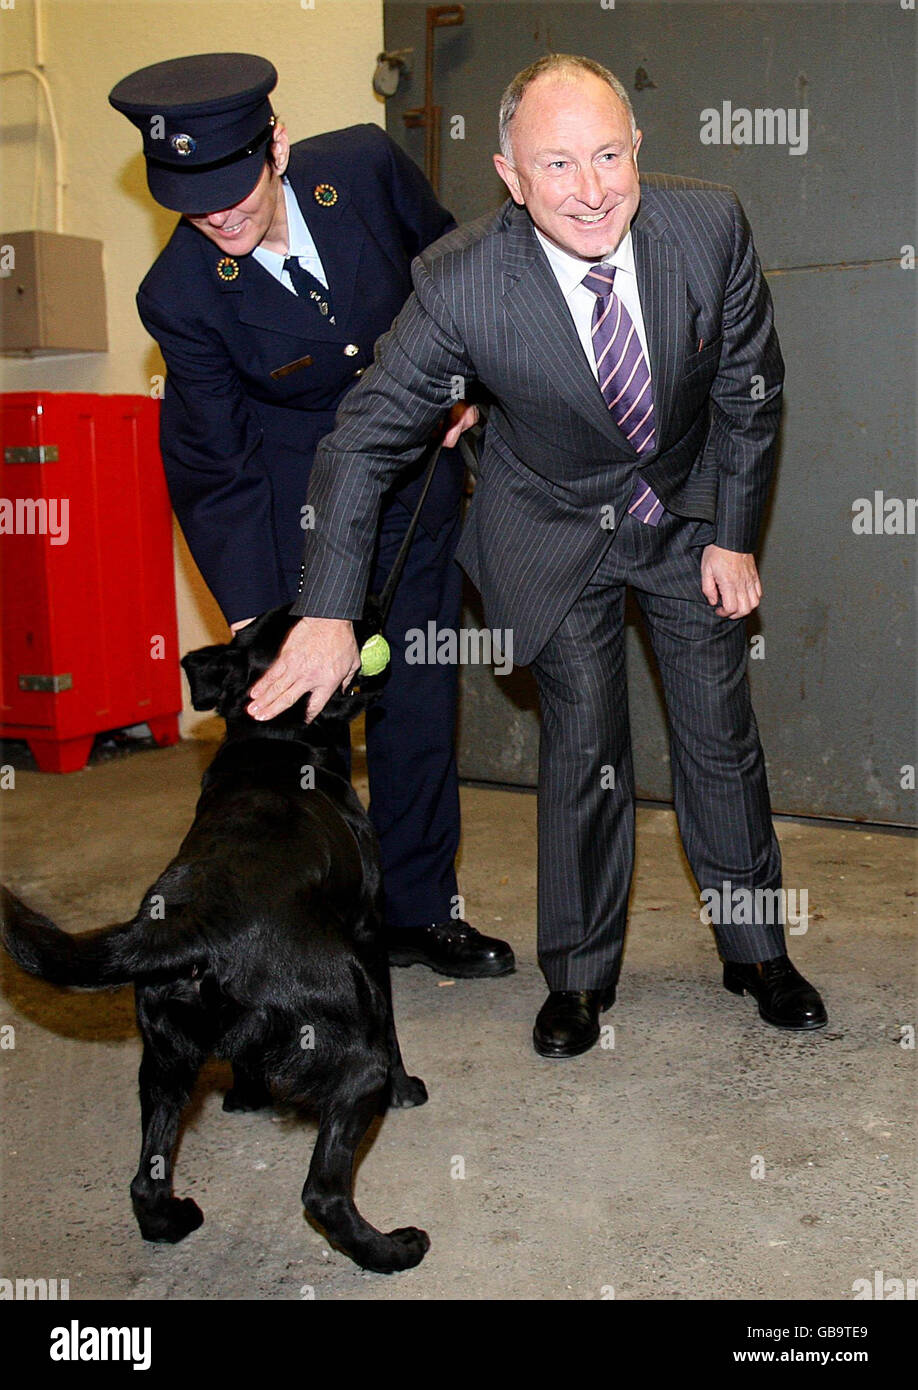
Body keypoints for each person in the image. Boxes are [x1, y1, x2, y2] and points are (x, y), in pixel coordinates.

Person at [248, 53, 828, 1058]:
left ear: (638, 147)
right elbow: (363, 439)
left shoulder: (711, 226)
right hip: (551, 525)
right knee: (586, 749)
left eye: (609, 154)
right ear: (511, 177)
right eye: (557, 166)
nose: (592, 189)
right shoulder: (463, 283)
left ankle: (758, 949)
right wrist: (329, 610)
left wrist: (734, 531)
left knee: (719, 737)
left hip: (685, 516)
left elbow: (749, 387)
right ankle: (580, 975)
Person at [108, 52, 513, 980]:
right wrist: (261, 622)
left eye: (234, 195)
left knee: (416, 702)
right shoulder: (176, 294)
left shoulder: (363, 168)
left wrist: (467, 386)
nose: (218, 220)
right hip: (300, 523)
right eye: (194, 206)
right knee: (304, 743)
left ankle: (420, 913)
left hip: (415, 490)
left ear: (277, 146)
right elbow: (213, 465)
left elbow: (451, 263)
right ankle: (314, 936)